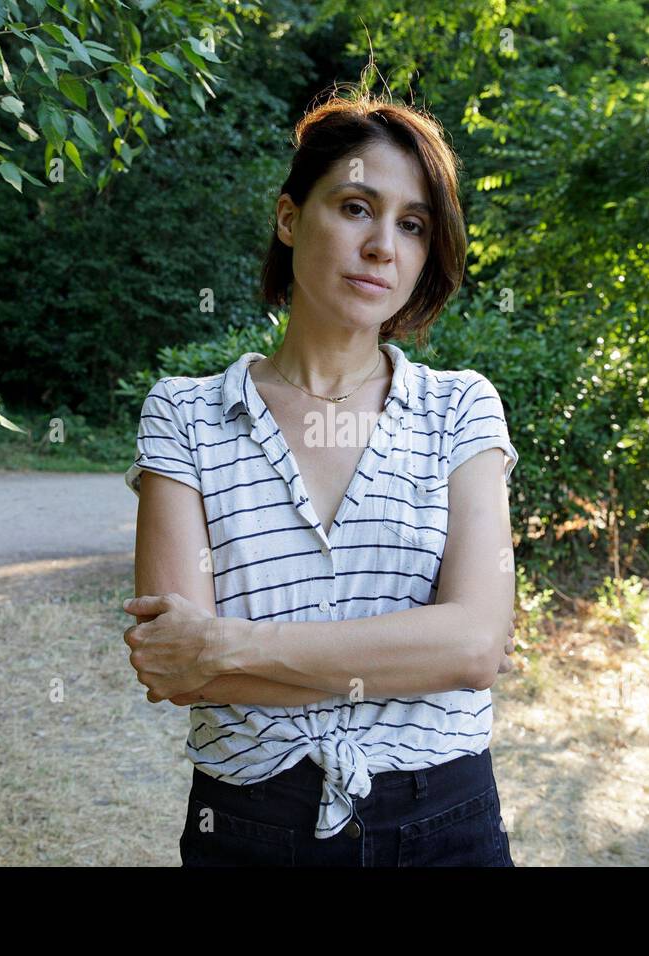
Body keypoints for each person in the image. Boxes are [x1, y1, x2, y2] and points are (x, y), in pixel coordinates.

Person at [122, 88, 520, 866]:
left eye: (413, 226)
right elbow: (181, 672)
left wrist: (228, 646)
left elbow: (474, 642)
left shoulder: (460, 407)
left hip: (447, 824)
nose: (383, 246)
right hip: (250, 830)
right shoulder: (187, 416)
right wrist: (408, 656)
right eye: (355, 207)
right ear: (288, 217)